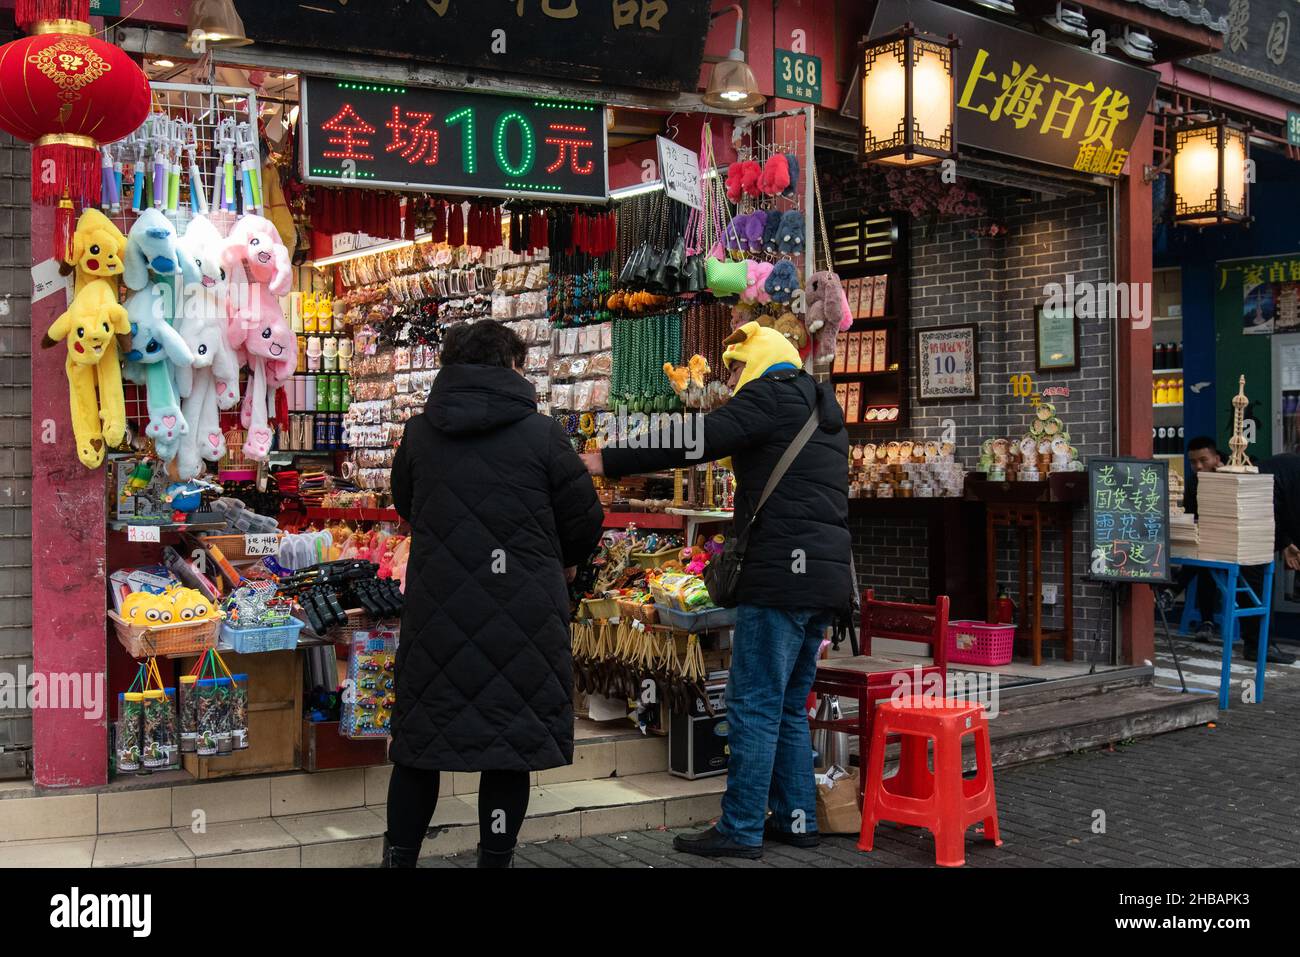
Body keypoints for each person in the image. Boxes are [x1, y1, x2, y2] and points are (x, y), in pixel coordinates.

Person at [581, 321, 851, 859]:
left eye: (734, 367)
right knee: (788, 706)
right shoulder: (823, 413)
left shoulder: (770, 399)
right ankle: (797, 820)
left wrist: (605, 460)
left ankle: (742, 827)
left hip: (777, 581)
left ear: (759, 361)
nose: (730, 379)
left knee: (752, 704)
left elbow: (691, 442)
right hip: (825, 584)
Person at [384, 321, 604, 867]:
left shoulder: (420, 434)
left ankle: (399, 859)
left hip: (438, 614)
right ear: (510, 365)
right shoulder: (543, 435)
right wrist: (562, 561)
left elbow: (407, 505)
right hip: (522, 617)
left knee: (419, 747)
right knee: (508, 747)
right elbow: (584, 522)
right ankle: (494, 859)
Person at [1236, 453, 1300, 664]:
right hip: (1253, 516)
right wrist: (1285, 543)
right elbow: (1277, 507)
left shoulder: (1287, 465)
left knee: (1257, 583)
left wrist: (1285, 542)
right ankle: (1258, 646)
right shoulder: (1287, 470)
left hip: (1258, 512)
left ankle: (1258, 644)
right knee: (1257, 583)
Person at [1181, 437, 1226, 642]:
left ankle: (1173, 589)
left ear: (1216, 459)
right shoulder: (1192, 484)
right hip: (1206, 541)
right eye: (1193, 462)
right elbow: (1192, 515)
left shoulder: (1231, 476)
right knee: (1203, 561)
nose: (1198, 466)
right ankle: (1206, 621)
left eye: (1203, 460)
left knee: (1205, 560)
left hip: (1230, 541)